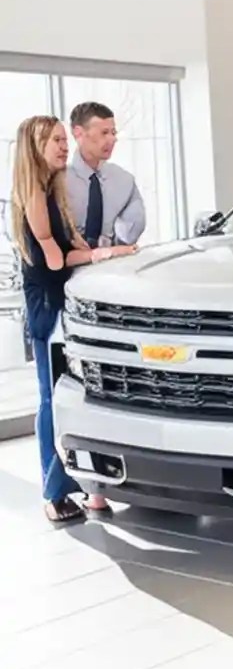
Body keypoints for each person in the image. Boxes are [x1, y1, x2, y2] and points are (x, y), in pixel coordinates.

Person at [9, 116, 135, 523]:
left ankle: (79, 483)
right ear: (36, 146)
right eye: (58, 141)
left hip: (62, 302)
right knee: (51, 398)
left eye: (66, 140)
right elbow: (56, 260)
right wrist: (104, 254)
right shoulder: (34, 195)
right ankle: (53, 491)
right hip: (47, 305)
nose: (65, 148)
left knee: (72, 397)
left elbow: (73, 246)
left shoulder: (53, 192)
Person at [65, 102, 146, 247]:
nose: (112, 139)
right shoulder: (58, 181)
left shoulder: (124, 181)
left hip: (111, 265)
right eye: (104, 133)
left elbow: (131, 231)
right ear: (78, 133)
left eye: (113, 133)